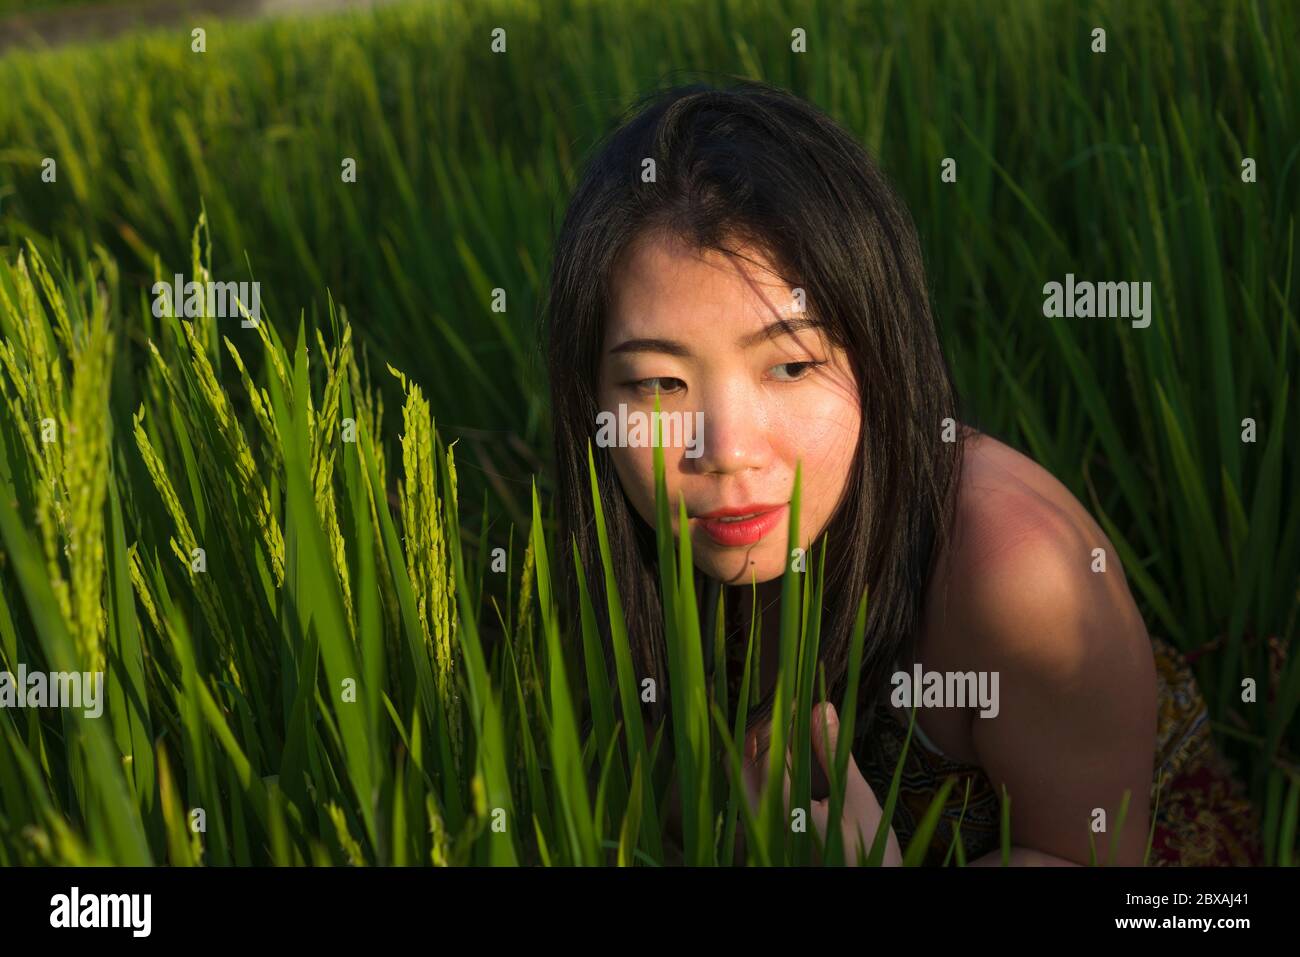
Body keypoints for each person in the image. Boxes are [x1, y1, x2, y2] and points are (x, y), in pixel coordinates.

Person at [544, 79, 1261, 865]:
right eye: (657, 383)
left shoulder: (1021, 574)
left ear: (881, 357)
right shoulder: (613, 551)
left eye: (789, 366)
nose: (727, 450)